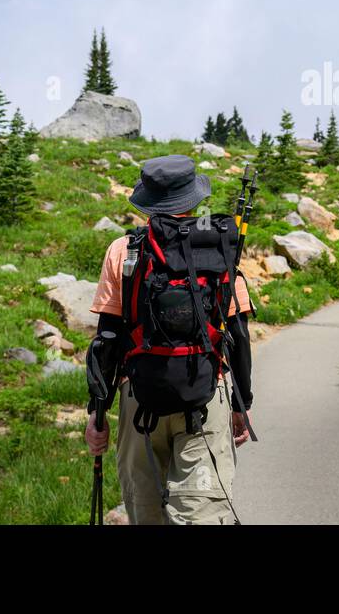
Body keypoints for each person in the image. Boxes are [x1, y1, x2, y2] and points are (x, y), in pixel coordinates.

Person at [84, 155, 254, 525]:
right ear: (193, 199)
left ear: (147, 201)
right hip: (207, 392)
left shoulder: (124, 250)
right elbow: (238, 334)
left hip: (138, 397)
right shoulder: (220, 244)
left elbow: (107, 339)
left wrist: (97, 413)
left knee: (146, 511)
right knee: (203, 513)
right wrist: (242, 404)